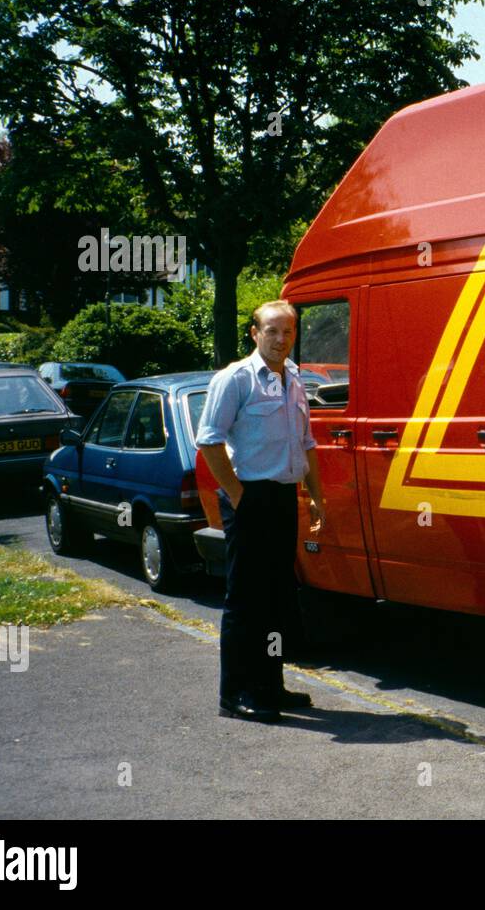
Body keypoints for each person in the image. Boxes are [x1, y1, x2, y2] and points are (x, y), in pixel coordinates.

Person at [196, 299, 326, 723]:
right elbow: (210, 442)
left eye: (288, 331)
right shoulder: (235, 379)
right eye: (272, 330)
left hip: (283, 498)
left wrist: (316, 496)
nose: (280, 339)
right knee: (244, 600)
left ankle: (270, 684)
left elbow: (306, 443)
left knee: (276, 597)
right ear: (255, 333)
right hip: (249, 498)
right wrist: (237, 496)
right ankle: (234, 694)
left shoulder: (293, 380)